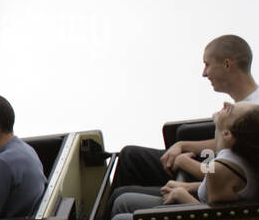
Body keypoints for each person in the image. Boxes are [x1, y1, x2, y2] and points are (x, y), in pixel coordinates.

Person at [87, 101, 259, 220]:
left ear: (228, 134)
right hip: (197, 213)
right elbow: (219, 189)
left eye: (230, 110)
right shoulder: (232, 158)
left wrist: (183, 195)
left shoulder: (223, 169)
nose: (226, 103)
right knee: (123, 201)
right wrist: (187, 186)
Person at [108, 35, 259, 197]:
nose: (204, 73)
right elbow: (226, 141)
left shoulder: (253, 110)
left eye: (207, 64)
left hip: (220, 179)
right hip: (214, 168)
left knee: (123, 193)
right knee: (131, 157)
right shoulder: (241, 107)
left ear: (227, 64)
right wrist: (183, 145)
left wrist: (185, 157)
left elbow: (234, 146)